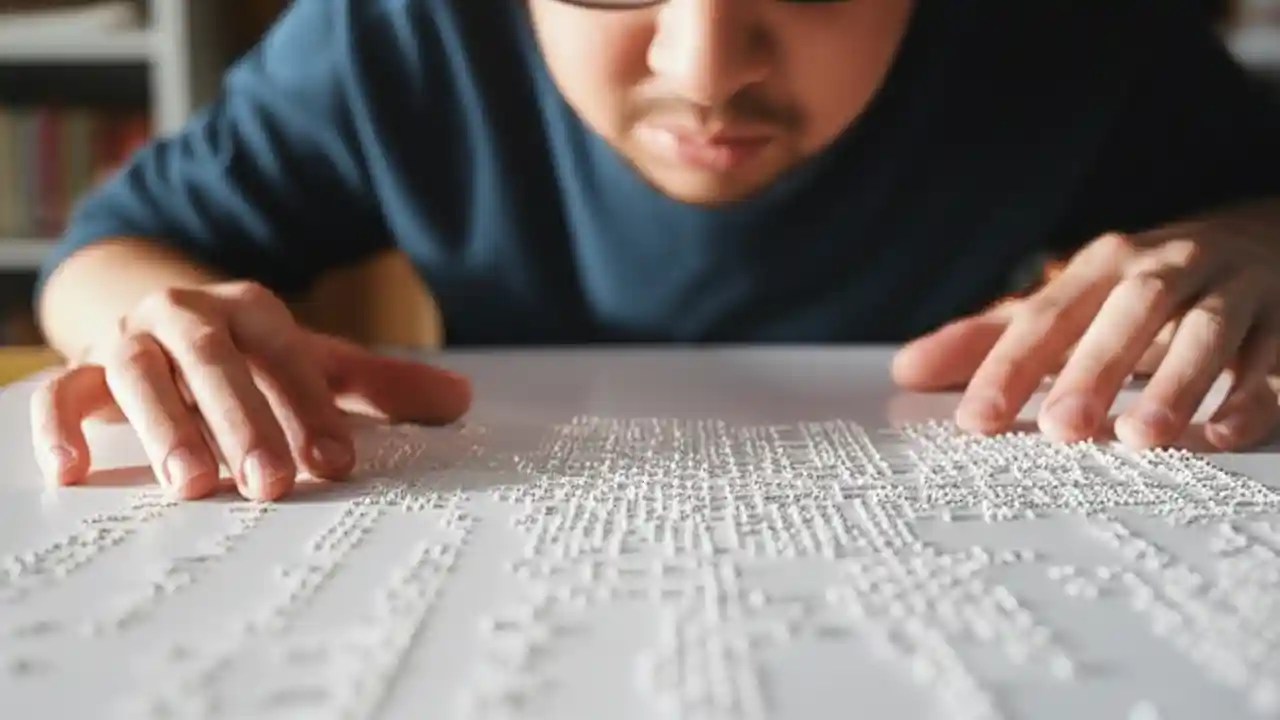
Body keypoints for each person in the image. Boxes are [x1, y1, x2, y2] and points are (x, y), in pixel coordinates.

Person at [30, 0, 1280, 502]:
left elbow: (1258, 206)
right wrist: (153, 313)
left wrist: (1245, 238)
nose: (700, 67)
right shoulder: (398, 28)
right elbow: (106, 249)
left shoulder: (1067, 27)